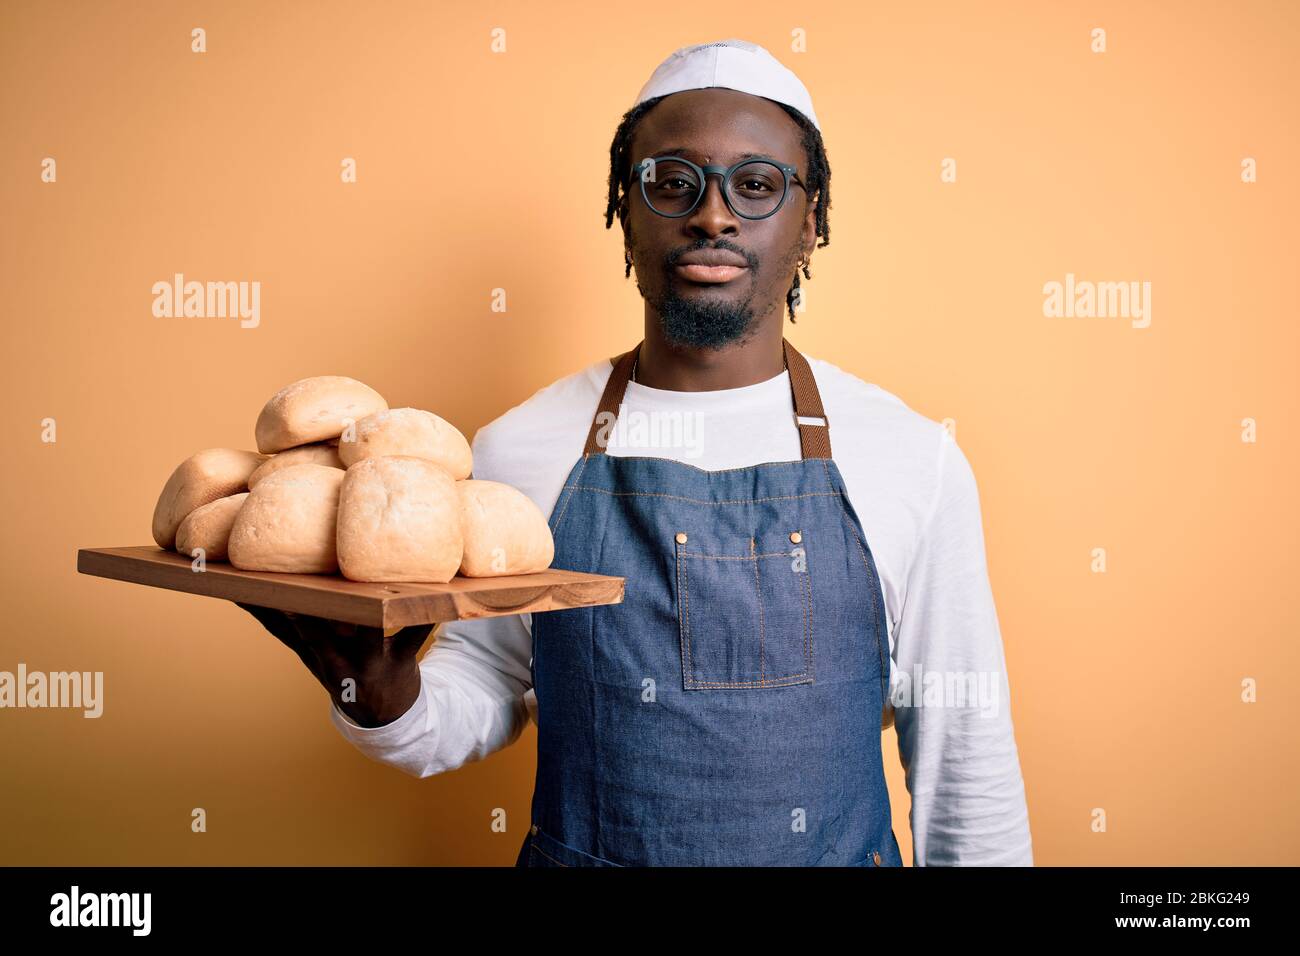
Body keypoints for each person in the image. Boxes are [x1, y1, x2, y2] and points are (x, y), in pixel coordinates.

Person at [240, 39, 1033, 867]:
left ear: (812, 221)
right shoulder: (523, 445)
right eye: (672, 182)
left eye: (756, 186)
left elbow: (965, 757)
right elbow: (482, 691)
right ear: (624, 208)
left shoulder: (909, 456)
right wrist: (376, 693)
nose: (714, 215)